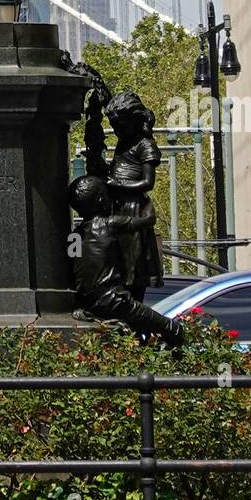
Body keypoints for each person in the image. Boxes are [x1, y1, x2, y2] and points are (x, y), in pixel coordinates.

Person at [68, 175, 184, 348]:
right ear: (101, 200)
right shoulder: (110, 223)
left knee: (137, 331)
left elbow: (74, 266)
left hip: (87, 301)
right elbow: (148, 220)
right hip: (114, 299)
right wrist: (142, 197)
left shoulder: (75, 235)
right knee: (169, 327)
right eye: (108, 196)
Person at [84, 88, 164, 300]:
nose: (116, 129)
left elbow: (148, 183)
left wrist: (117, 185)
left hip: (132, 210)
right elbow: (115, 102)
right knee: (115, 266)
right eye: (113, 126)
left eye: (120, 125)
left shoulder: (144, 144)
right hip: (117, 207)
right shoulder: (125, 140)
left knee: (132, 268)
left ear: (134, 121)